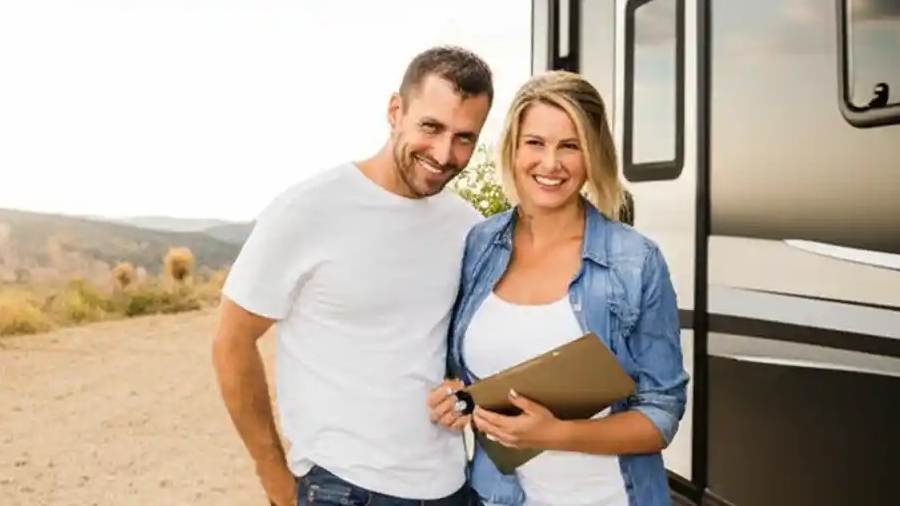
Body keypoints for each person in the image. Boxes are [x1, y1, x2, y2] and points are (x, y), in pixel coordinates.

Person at [211, 45, 495, 506]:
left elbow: (458, 348)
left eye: (464, 137)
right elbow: (231, 342)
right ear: (395, 111)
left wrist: (465, 390)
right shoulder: (307, 210)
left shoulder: (468, 226)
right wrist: (275, 480)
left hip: (450, 487)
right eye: (431, 127)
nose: (444, 153)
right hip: (342, 487)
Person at [427, 70, 688, 506]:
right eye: (535, 143)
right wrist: (458, 402)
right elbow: (468, 382)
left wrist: (556, 433)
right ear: (513, 148)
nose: (550, 164)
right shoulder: (478, 245)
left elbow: (661, 414)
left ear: (593, 154)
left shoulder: (635, 261)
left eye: (570, 145)